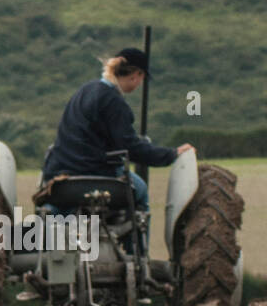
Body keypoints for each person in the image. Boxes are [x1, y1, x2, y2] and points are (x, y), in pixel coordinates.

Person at [41, 48, 194, 214]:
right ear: (136, 75)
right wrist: (172, 154)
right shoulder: (114, 102)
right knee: (141, 192)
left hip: (59, 177)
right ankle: (136, 240)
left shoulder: (85, 90)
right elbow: (131, 147)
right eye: (142, 78)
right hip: (94, 176)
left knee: (58, 207)